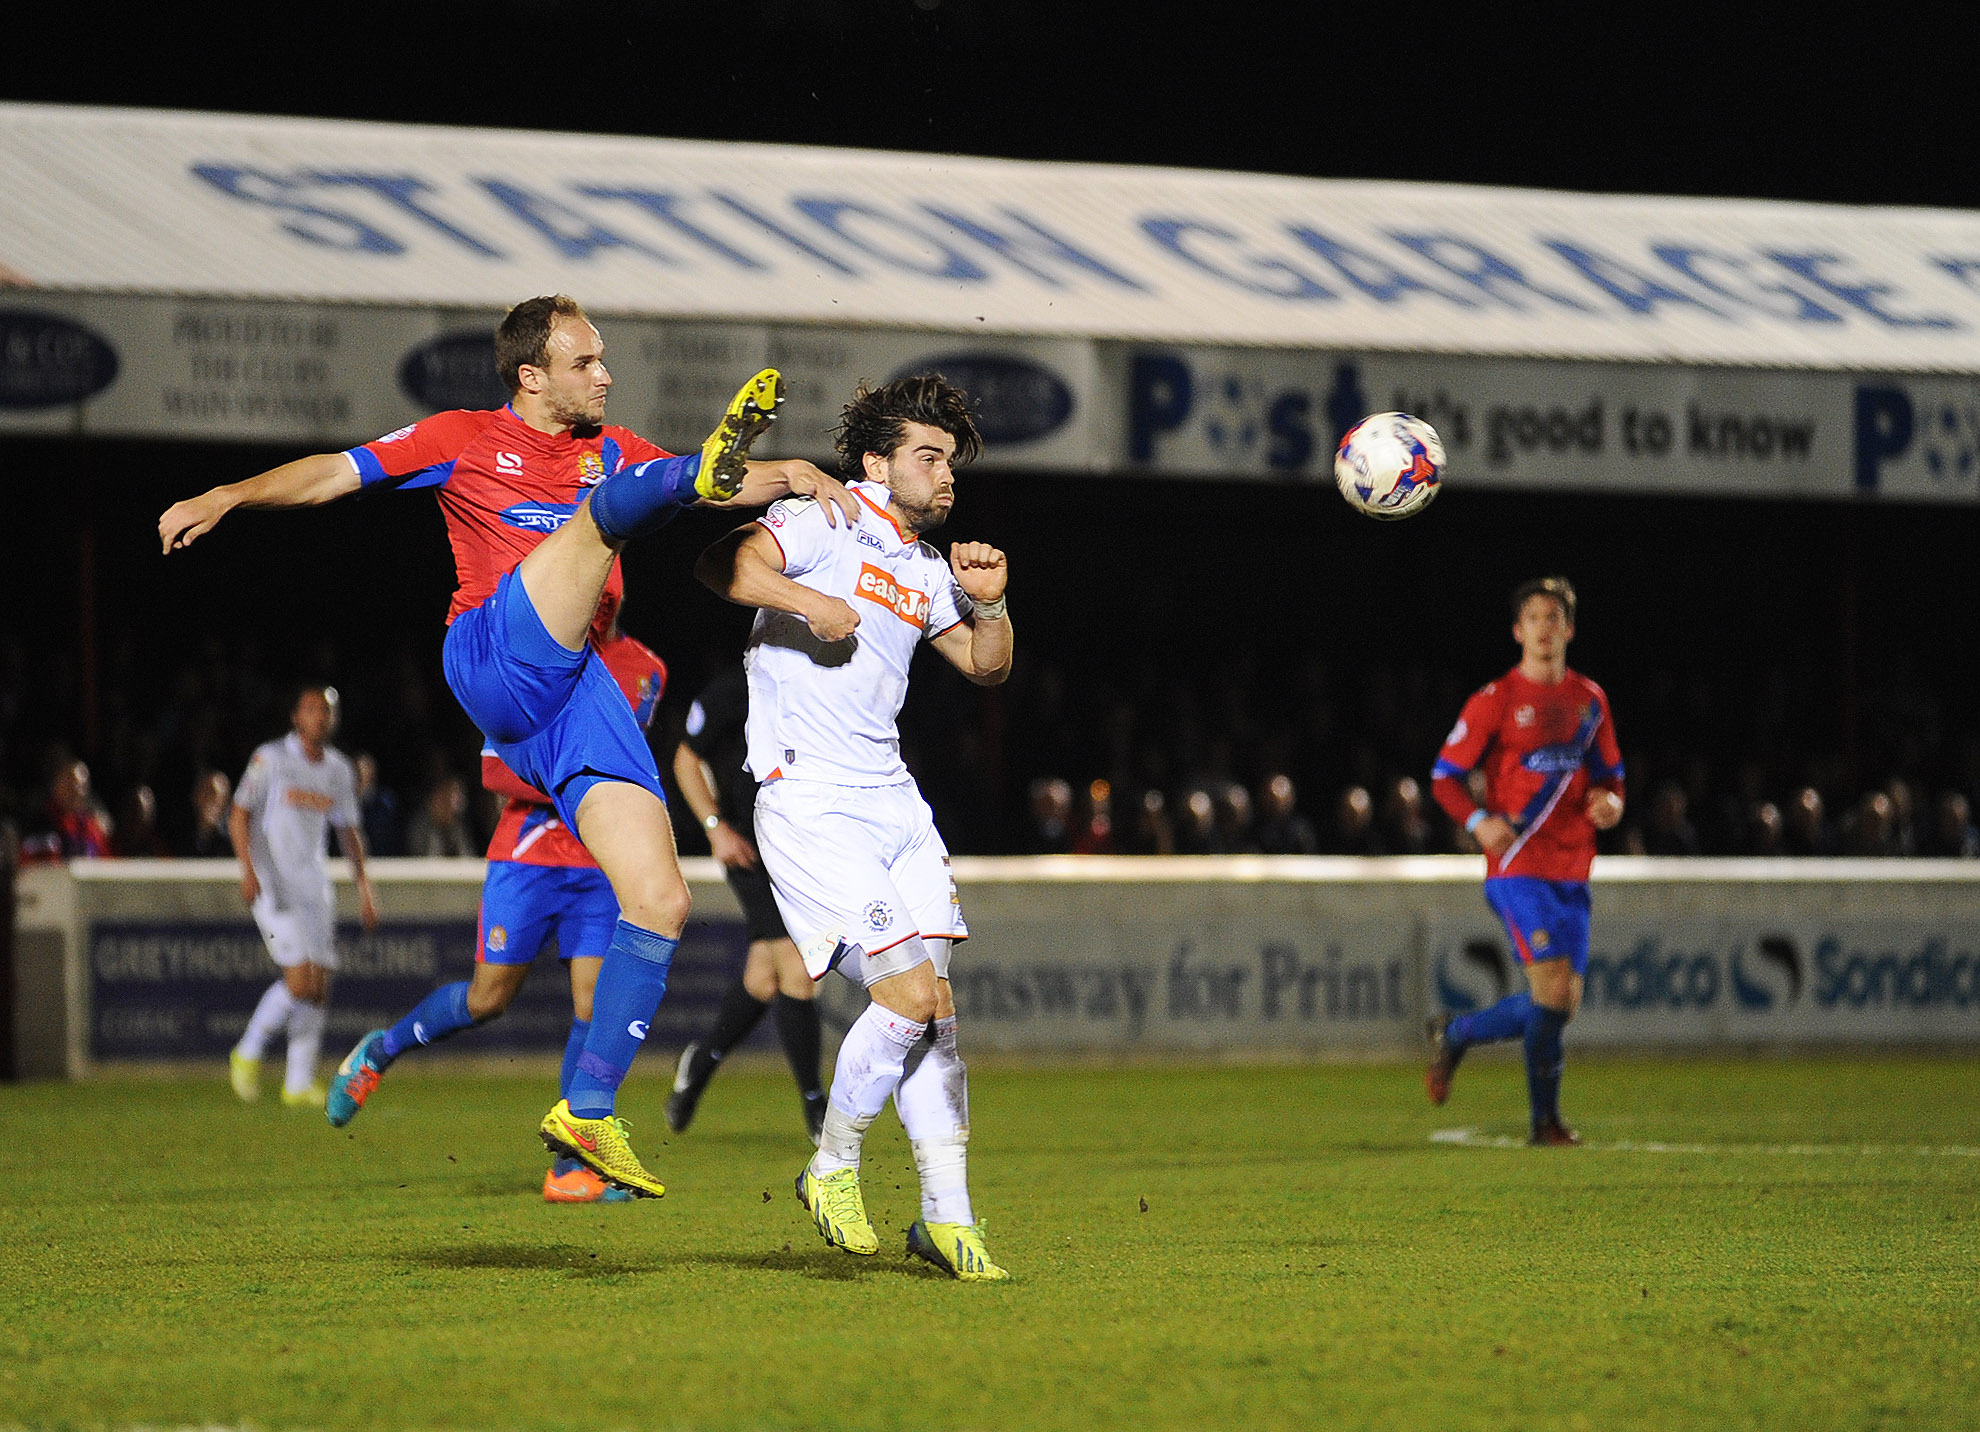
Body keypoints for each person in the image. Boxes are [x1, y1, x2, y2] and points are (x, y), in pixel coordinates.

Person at [160, 293, 856, 1196]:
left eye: (604, 360)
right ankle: (398, 1053)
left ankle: (590, 1116)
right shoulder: (461, 436)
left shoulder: (612, 451)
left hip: (574, 692)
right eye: (585, 362)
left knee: (662, 897)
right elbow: (338, 472)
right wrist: (229, 494)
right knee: (606, 513)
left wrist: (793, 471)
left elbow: (720, 481)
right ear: (530, 376)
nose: (605, 375)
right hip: (493, 651)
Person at [694, 373, 1014, 1280]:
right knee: (906, 999)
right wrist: (805, 602)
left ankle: (948, 1218)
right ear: (877, 460)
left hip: (892, 802)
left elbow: (986, 668)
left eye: (950, 460)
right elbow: (720, 566)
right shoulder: (827, 518)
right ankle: (831, 1166)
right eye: (928, 456)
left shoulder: (921, 566)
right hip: (809, 800)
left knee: (937, 1014)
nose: (946, 475)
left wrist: (988, 601)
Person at [323, 622, 668, 1204]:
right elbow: (494, 770)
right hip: (528, 853)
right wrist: (580, 775)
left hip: (596, 860)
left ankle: (568, 1166)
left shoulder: (647, 669)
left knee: (594, 1002)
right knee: (488, 1000)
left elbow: (629, 763)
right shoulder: (530, 650)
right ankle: (380, 1050)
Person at [1425, 576, 1624, 1146]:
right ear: (1518, 631)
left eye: (1554, 617)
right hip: (1516, 865)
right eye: (1533, 618)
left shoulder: (1591, 702)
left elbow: (1613, 777)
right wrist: (1476, 821)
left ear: (1570, 629)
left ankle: (1461, 1037)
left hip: (1573, 868)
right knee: (1552, 994)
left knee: (1561, 1003)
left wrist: (1611, 804)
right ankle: (1544, 1120)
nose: (1544, 627)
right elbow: (1444, 778)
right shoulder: (1496, 701)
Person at [664, 664, 826, 1144]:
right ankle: (818, 1107)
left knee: (765, 976)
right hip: (749, 848)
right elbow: (685, 760)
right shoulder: (736, 686)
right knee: (798, 970)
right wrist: (716, 829)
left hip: (798, 848)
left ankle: (702, 1060)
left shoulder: (816, 682)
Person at [227, 686, 380, 1107]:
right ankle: (248, 1051)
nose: (319, 717)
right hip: (273, 883)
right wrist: (247, 869)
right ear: (296, 717)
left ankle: (297, 1082)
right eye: (311, 709)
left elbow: (348, 832)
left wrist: (365, 889)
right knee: (299, 980)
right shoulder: (270, 759)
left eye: (326, 711)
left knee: (318, 985)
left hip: (314, 885)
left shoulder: (338, 769)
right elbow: (238, 814)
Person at [19, 757, 111, 863]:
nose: (76, 792)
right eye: (69, 784)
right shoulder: (38, 822)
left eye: (80, 786)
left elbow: (106, 862)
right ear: (56, 786)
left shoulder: (92, 828)